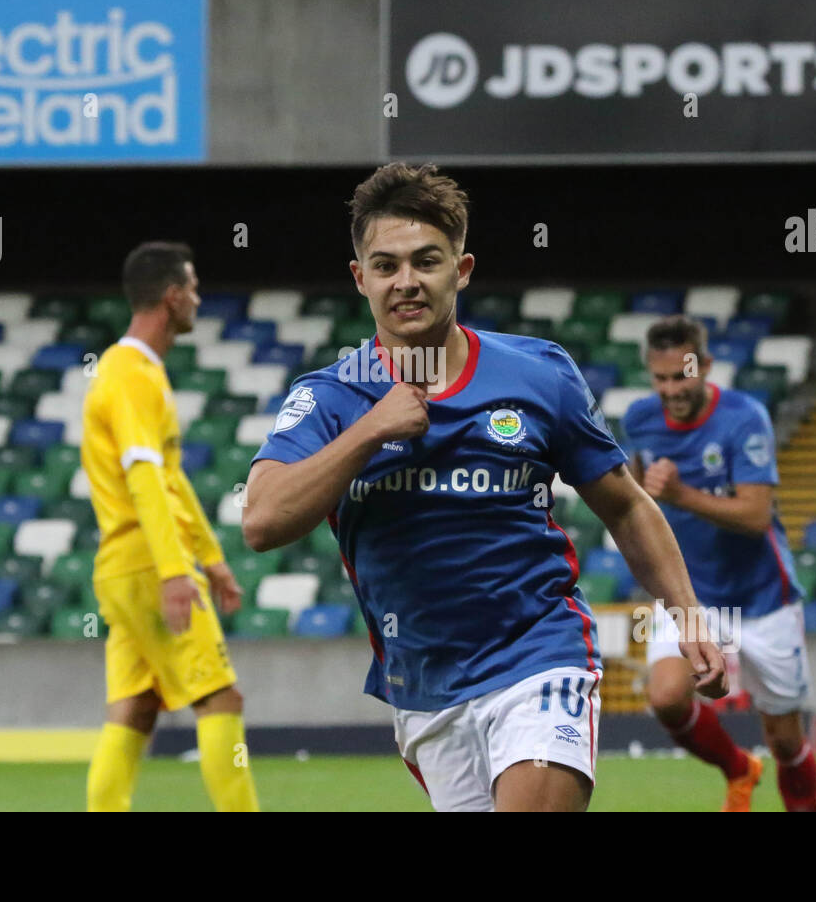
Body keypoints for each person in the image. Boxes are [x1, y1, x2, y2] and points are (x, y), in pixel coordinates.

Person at [242, 163, 726, 812]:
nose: (406, 282)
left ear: (461, 270)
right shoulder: (330, 398)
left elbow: (625, 505)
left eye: (426, 261)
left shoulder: (540, 374)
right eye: (385, 266)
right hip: (423, 687)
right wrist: (369, 432)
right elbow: (262, 521)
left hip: (540, 653)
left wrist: (686, 611)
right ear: (361, 279)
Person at [81, 241, 259, 812]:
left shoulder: (136, 371)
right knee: (221, 699)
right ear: (173, 296)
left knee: (133, 709)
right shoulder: (130, 373)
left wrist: (212, 559)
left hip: (122, 566)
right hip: (146, 561)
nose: (200, 301)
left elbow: (173, 481)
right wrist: (176, 569)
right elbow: (145, 481)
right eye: (196, 288)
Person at [623, 315, 816, 812]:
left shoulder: (744, 417)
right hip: (691, 595)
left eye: (682, 376)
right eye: (661, 378)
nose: (671, 389)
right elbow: (639, 493)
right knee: (666, 696)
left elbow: (755, 515)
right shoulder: (639, 419)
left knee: (786, 741)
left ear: (706, 366)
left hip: (761, 598)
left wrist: (682, 494)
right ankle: (738, 769)